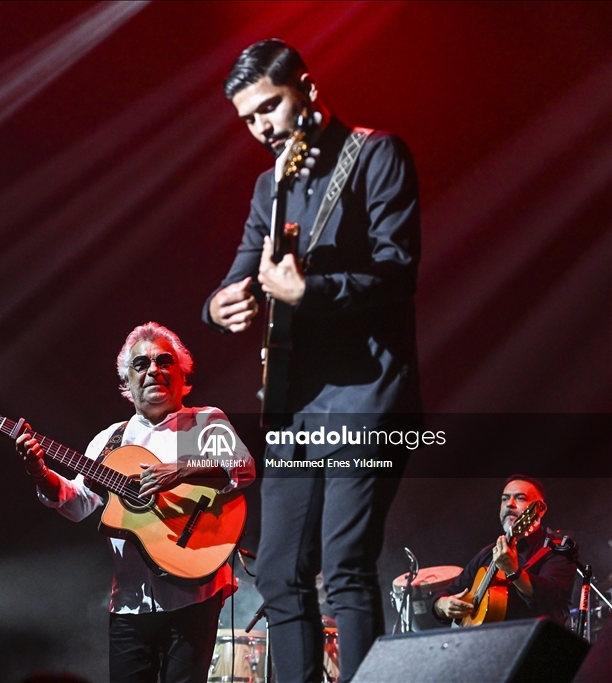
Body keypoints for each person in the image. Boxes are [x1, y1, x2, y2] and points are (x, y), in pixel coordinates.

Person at [202, 39, 422, 683]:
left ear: (308, 88)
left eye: (269, 107)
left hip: (368, 395)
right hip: (295, 405)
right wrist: (219, 306)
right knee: (277, 572)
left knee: (346, 563)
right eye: (248, 118)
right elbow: (239, 272)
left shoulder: (377, 154)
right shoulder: (270, 186)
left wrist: (312, 291)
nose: (260, 127)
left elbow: (399, 271)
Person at [16, 322, 255, 683]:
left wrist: (180, 470)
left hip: (194, 593)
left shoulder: (205, 421)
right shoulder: (110, 440)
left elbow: (243, 467)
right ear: (126, 383)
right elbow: (77, 504)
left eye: (164, 361)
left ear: (182, 374)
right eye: (141, 364)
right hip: (130, 601)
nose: (153, 370)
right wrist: (39, 472)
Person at [431, 476, 576, 625]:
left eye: (520, 498)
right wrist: (442, 605)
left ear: (540, 509)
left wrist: (513, 571)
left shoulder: (560, 550)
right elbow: (450, 591)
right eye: (505, 499)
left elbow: (548, 597)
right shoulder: (488, 553)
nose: (509, 504)